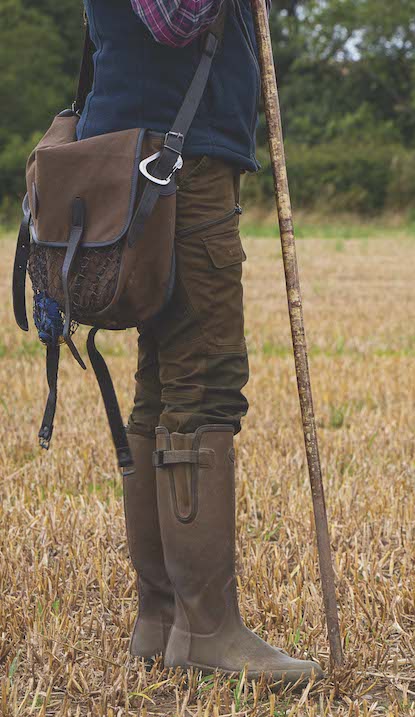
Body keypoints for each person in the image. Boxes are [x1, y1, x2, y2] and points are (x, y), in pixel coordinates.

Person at [79, 0, 321, 681]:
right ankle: (208, 628)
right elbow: (175, 18)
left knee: (162, 386)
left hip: (150, 152)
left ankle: (163, 620)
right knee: (205, 382)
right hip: (174, 160)